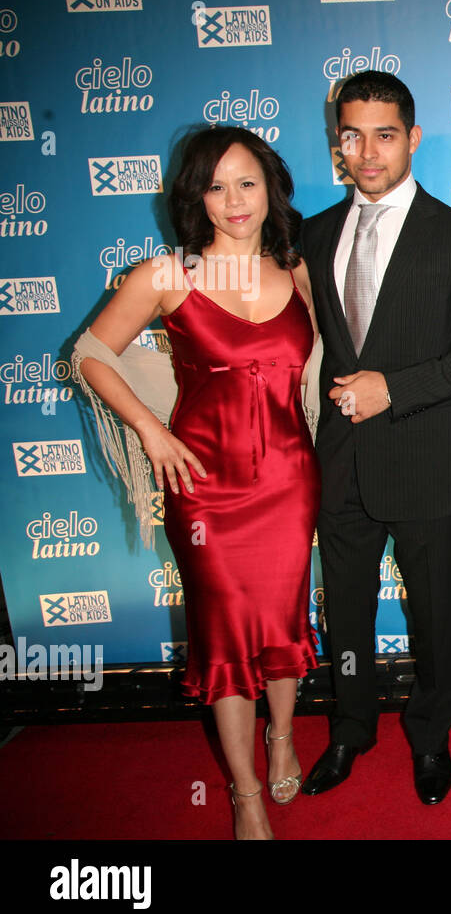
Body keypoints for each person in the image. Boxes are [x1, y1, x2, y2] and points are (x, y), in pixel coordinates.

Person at [73, 126, 319, 840]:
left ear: (271, 187)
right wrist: (152, 431)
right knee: (224, 632)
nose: (234, 200)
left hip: (289, 479)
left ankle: (281, 734)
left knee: (280, 620)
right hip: (205, 486)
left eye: (247, 182)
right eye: (216, 185)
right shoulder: (165, 275)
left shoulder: (297, 272)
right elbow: (91, 355)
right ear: (195, 197)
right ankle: (244, 793)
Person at [298, 71, 451, 806]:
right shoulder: (315, 234)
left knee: (433, 615)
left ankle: (429, 737)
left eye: (385, 134)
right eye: (352, 135)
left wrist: (395, 387)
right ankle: (350, 728)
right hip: (340, 465)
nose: (368, 151)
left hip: (423, 461)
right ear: (338, 144)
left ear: (412, 138)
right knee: (346, 609)